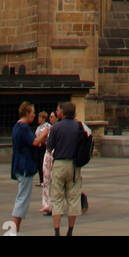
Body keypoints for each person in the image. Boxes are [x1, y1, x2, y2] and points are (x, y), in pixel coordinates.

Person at [46, 100, 86, 236]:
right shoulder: (78, 126)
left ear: (62, 113)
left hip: (59, 164)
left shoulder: (56, 127)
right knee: (73, 199)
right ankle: (70, 231)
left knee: (57, 198)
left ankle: (57, 231)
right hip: (74, 165)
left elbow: (49, 147)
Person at [9, 101, 40, 234]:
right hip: (25, 165)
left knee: (22, 197)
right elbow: (34, 142)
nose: (34, 115)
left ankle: (16, 230)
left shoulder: (17, 126)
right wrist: (46, 132)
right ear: (26, 113)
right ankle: (13, 230)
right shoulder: (24, 127)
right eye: (32, 112)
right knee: (22, 198)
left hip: (20, 164)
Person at [38, 111, 57, 215]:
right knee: (46, 181)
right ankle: (46, 205)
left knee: (54, 183)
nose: (51, 118)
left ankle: (53, 205)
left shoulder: (55, 129)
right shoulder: (49, 128)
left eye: (52, 117)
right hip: (48, 155)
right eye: (50, 116)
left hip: (54, 156)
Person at [33, 111, 50, 184]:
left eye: (40, 117)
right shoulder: (38, 127)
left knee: (43, 163)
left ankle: (45, 180)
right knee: (39, 163)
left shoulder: (46, 126)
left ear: (43, 118)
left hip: (44, 146)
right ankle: (41, 180)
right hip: (38, 147)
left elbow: (46, 136)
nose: (38, 119)